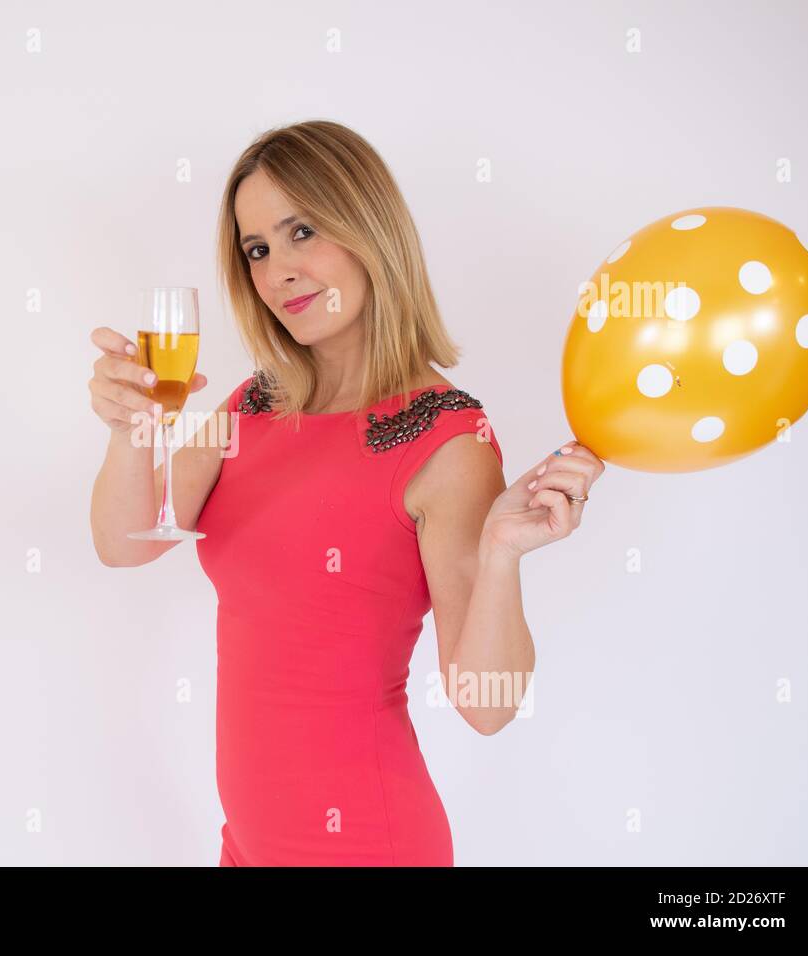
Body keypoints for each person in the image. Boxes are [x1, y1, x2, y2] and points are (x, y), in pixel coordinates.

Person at [88, 120, 604, 866]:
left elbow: (488, 709)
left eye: (304, 231)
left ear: (370, 230)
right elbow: (124, 543)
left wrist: (499, 555)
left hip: (366, 843)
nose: (280, 271)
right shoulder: (257, 404)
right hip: (247, 847)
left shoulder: (448, 438)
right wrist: (128, 426)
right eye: (258, 249)